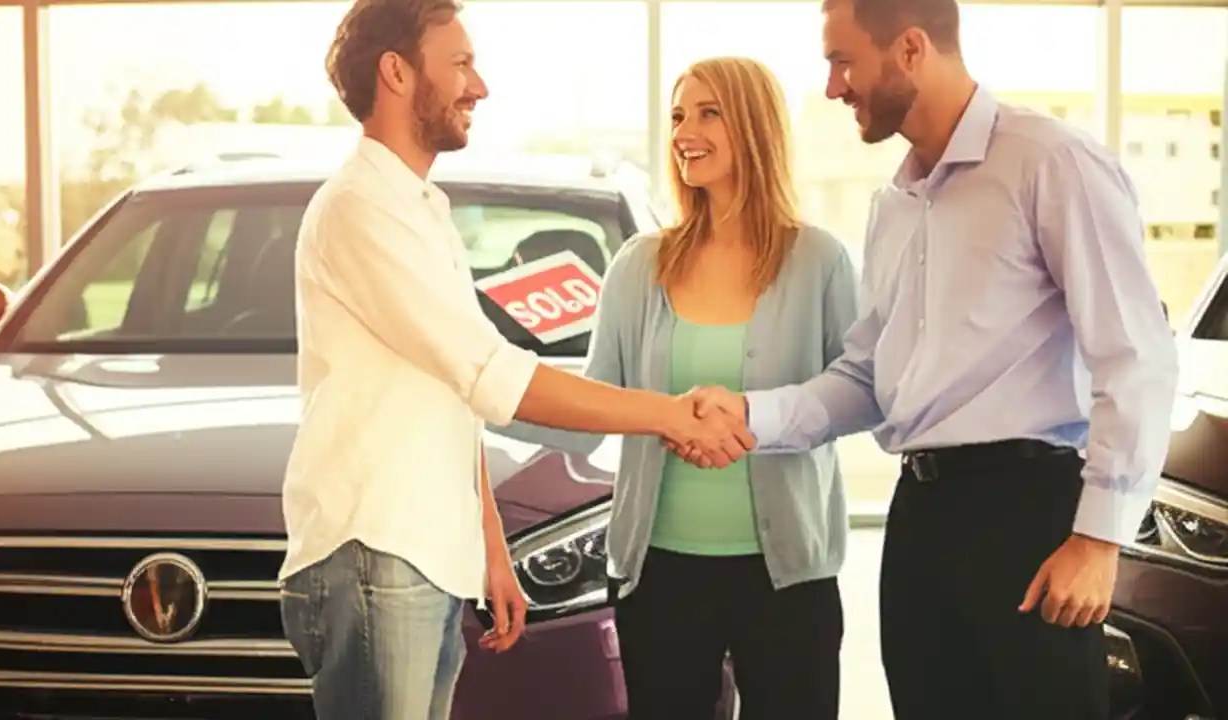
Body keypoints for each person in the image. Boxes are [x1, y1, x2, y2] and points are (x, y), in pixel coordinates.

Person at [683, 0, 1180, 718]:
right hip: (920, 519)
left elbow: (1135, 357)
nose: (832, 87)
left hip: (1027, 519)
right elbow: (865, 377)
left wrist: (1099, 538)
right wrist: (750, 415)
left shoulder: (1050, 163)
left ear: (911, 49)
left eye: (842, 61)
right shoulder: (894, 203)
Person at [276, 2, 752, 719]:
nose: (480, 86)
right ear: (396, 72)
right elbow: (493, 377)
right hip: (377, 554)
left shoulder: (418, 207)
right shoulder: (360, 208)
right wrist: (669, 415)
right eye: (461, 63)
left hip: (423, 557)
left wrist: (489, 547)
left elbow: (454, 395)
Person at [490, 57, 858, 719]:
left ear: (754, 125)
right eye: (679, 114)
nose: (685, 129)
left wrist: (753, 419)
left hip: (789, 580)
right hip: (659, 574)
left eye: (708, 112)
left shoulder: (820, 262)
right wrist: (485, 393)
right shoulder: (639, 266)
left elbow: (854, 396)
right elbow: (591, 409)